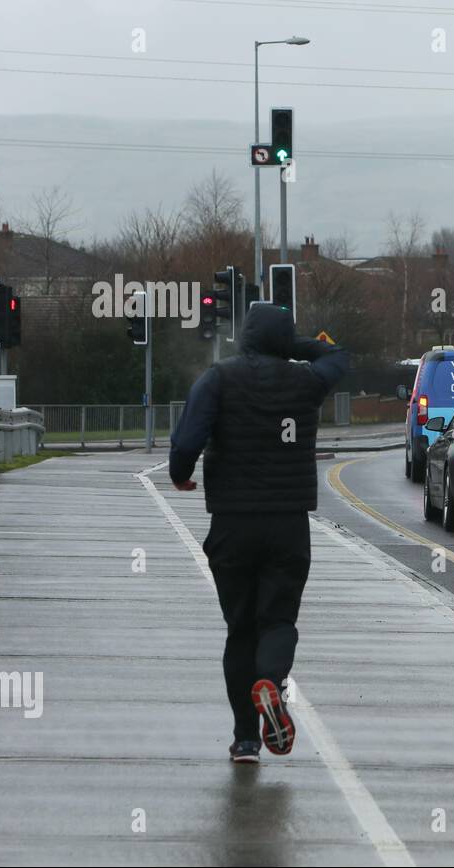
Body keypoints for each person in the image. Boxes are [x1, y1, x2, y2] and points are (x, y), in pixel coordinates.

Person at [169, 302, 349, 764]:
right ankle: (270, 680)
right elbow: (338, 357)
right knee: (279, 620)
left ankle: (246, 739)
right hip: (288, 523)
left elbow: (189, 437)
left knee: (239, 630)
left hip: (232, 522)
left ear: (245, 337)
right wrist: (295, 346)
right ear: (284, 340)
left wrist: (180, 472)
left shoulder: (219, 379)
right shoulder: (306, 382)